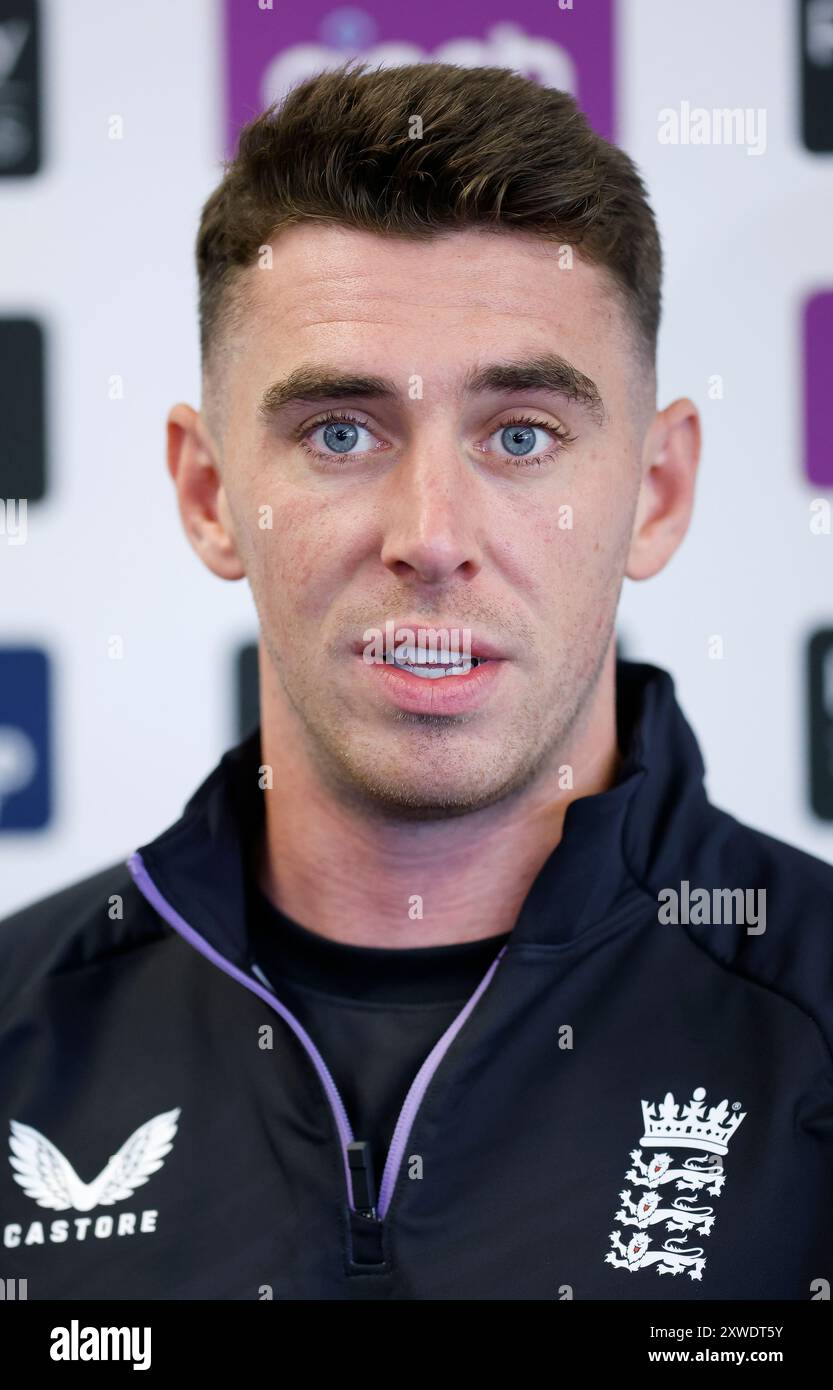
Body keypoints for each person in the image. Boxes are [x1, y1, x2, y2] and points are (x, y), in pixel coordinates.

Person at [1, 60, 831, 1301]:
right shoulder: (20, 1027)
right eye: (340, 432)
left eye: (520, 434)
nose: (430, 533)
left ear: (654, 494)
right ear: (207, 492)